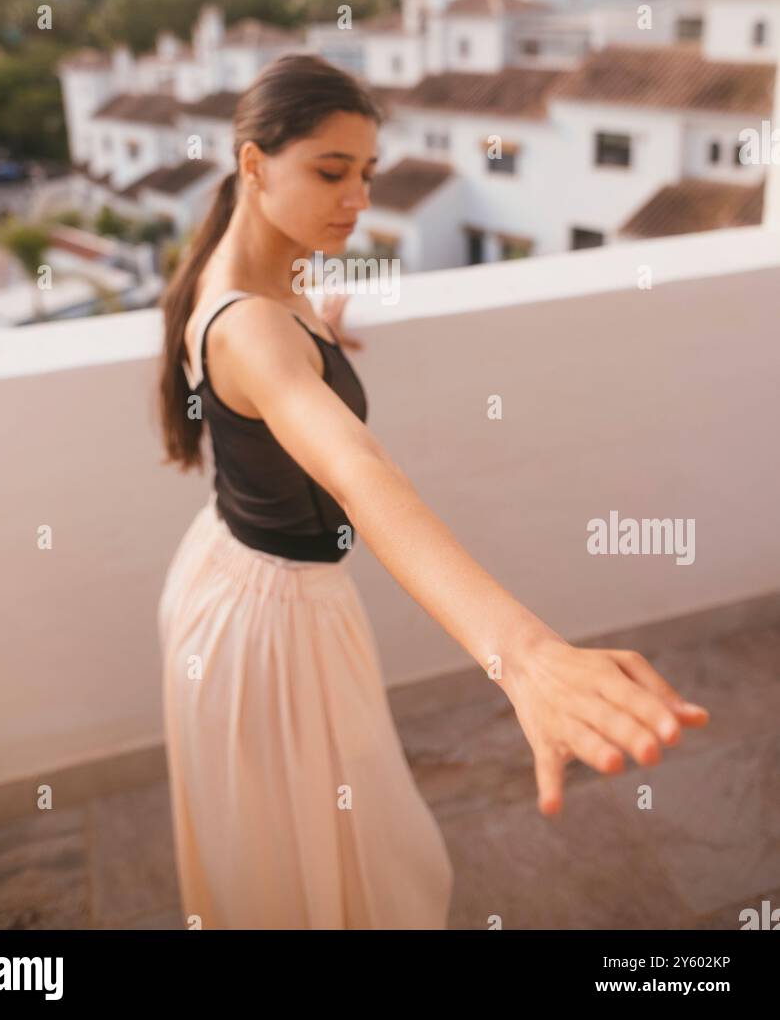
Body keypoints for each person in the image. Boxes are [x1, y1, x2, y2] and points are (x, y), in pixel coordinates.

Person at [156, 52, 709, 930]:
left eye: (367, 174)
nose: (360, 198)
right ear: (254, 164)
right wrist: (523, 656)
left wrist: (319, 336)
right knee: (320, 861)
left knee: (320, 839)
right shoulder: (252, 328)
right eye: (331, 171)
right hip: (270, 619)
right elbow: (361, 473)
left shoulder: (263, 271)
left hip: (240, 576)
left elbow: (274, 349)